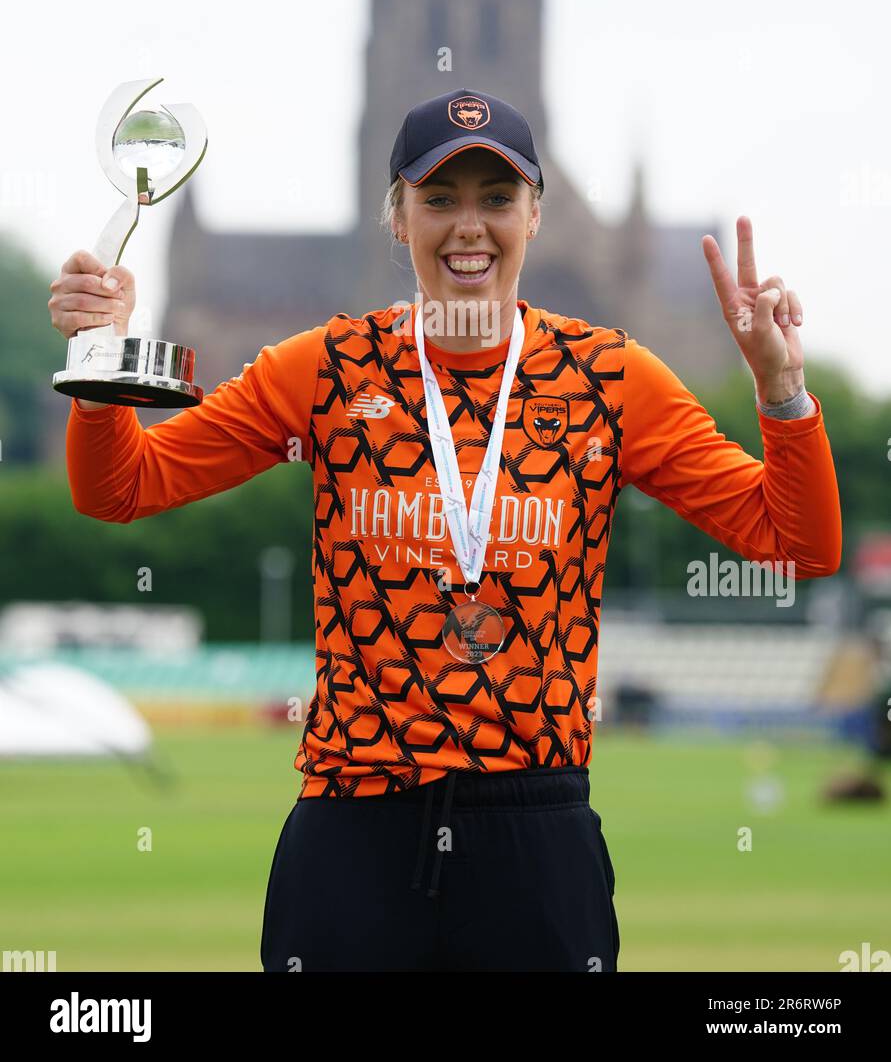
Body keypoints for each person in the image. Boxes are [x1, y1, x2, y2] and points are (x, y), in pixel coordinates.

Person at [49, 87, 843, 972]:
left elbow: (797, 544)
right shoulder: (324, 368)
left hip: (535, 832)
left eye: (497, 199)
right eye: (439, 199)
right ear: (396, 216)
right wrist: (100, 366)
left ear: (536, 214)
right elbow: (121, 487)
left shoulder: (612, 378)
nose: (470, 226)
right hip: (354, 827)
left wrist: (782, 394)